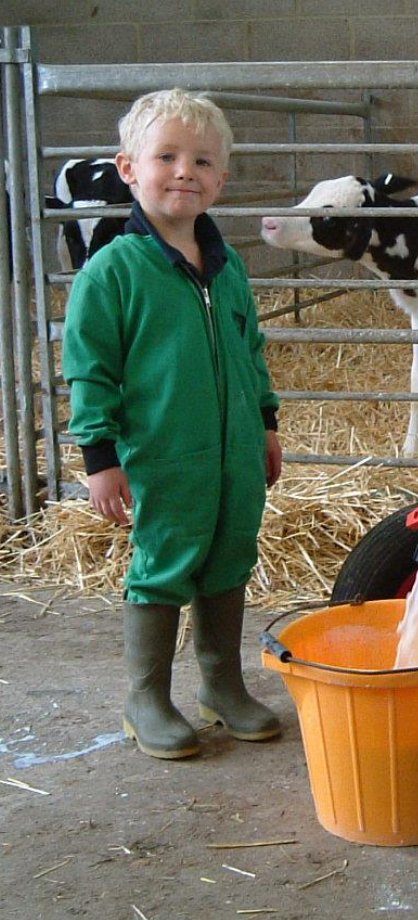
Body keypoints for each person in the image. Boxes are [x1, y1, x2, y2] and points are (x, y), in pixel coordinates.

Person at [62, 88, 283, 760]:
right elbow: (89, 368)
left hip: (235, 452)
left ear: (221, 179)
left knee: (228, 555)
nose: (186, 171)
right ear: (129, 168)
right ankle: (147, 697)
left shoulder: (228, 268)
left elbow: (251, 350)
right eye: (168, 156)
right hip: (164, 454)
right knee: (163, 565)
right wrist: (100, 457)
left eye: (203, 161)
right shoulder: (112, 272)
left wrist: (267, 425)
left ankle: (222, 686)